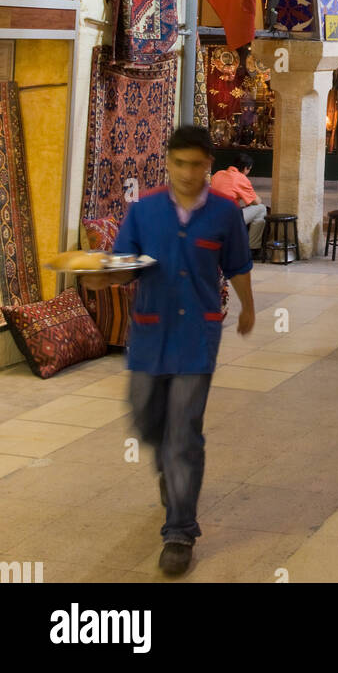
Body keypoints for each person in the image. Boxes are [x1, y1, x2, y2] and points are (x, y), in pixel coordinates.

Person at [81, 125, 254, 576]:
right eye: (179, 163)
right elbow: (125, 268)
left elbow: (237, 266)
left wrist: (250, 309)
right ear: (168, 162)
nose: (187, 172)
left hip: (198, 338)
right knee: (145, 418)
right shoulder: (144, 213)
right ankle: (168, 469)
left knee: (184, 433)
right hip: (150, 336)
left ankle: (180, 530)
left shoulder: (224, 213)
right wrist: (103, 278)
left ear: (208, 166)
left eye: (196, 164)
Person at [209, 151, 268, 256]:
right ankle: (252, 248)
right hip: (227, 221)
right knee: (261, 208)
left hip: (211, 218)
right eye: (249, 169)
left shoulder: (218, 174)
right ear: (246, 168)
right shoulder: (241, 178)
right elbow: (256, 201)